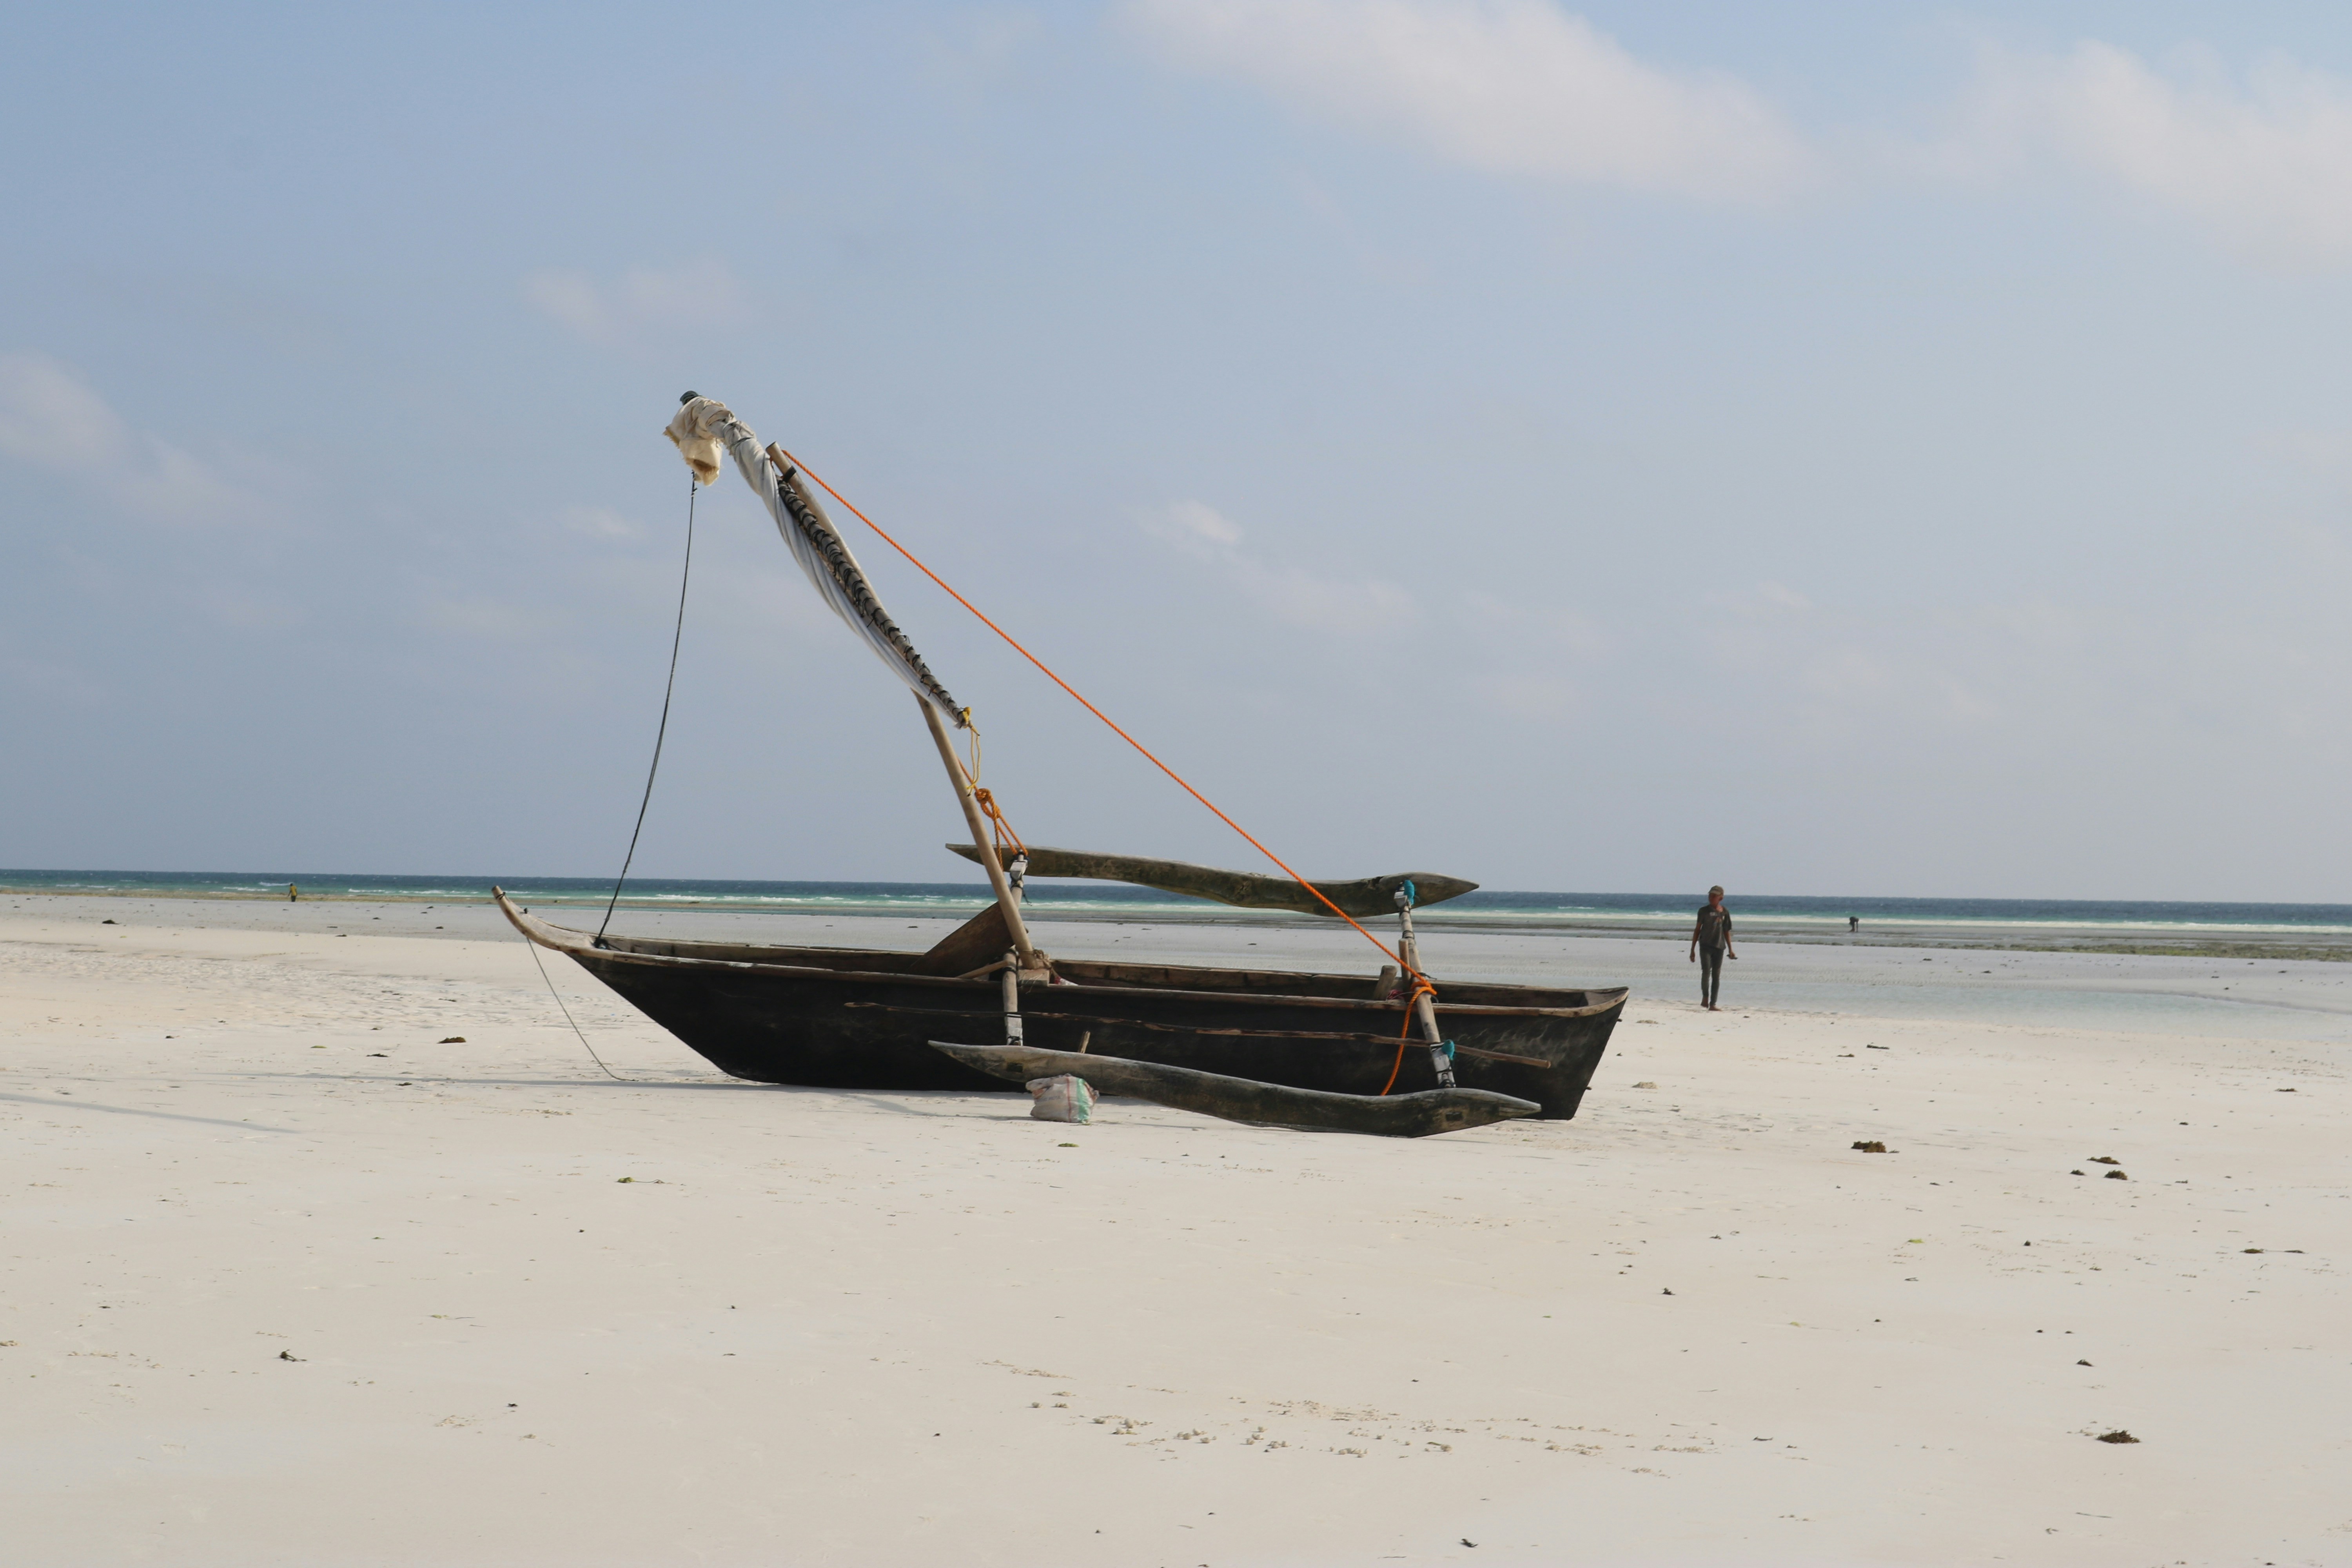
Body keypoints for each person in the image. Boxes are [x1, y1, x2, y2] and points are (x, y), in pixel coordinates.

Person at [1688, 885, 1736, 1009]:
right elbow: (1697, 930)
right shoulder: (1704, 911)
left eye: (1714, 896)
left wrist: (1731, 949)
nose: (1711, 898)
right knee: (1706, 973)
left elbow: (1726, 932)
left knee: (1716, 975)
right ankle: (1705, 997)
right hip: (1705, 946)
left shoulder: (1725, 912)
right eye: (1710, 895)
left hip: (1719, 947)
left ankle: (1713, 1004)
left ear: (1721, 898)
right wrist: (1692, 949)